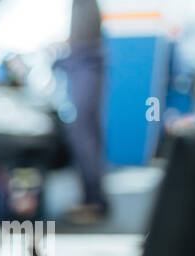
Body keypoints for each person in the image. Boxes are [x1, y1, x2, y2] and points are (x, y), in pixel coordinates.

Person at [56, 0, 108, 223]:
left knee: (83, 133)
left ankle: (94, 201)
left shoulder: (85, 6)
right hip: (80, 56)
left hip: (84, 57)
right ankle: (93, 199)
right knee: (84, 132)